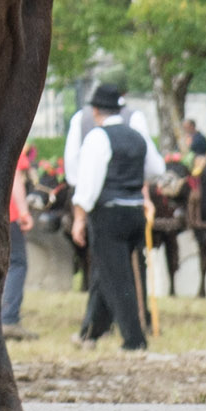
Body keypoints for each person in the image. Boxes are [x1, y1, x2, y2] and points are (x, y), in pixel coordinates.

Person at [70, 82, 165, 350]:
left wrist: (79, 219)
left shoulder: (98, 138)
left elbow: (87, 186)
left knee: (117, 277)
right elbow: (156, 169)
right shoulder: (138, 137)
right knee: (108, 271)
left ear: (96, 110)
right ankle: (90, 333)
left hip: (109, 214)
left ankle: (134, 340)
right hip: (135, 211)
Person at [1, 148, 37, 340]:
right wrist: (23, 212)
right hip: (5, 211)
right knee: (16, 263)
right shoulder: (8, 140)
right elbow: (15, 177)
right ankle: (8, 319)